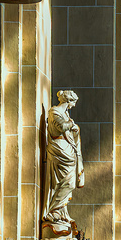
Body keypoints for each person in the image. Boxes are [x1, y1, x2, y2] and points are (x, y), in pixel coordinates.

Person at [43, 89, 84, 230]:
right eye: (73, 102)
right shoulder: (54, 112)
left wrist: (74, 129)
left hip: (67, 149)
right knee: (67, 182)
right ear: (68, 101)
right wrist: (71, 124)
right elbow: (60, 127)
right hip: (59, 149)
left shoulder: (65, 114)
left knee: (70, 182)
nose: (73, 105)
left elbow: (70, 129)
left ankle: (61, 211)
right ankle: (54, 209)